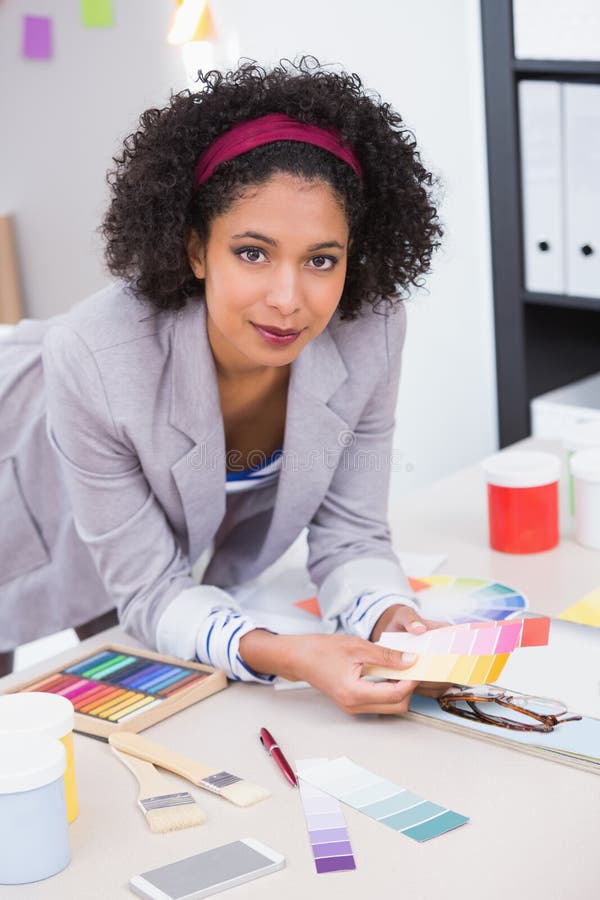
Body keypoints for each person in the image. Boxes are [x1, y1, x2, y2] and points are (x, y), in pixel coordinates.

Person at [0, 56, 444, 713]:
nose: (288, 299)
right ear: (195, 249)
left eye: (322, 259)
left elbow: (352, 536)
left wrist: (391, 621)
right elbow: (150, 590)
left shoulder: (371, 330)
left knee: (133, 680)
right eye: (252, 253)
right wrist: (288, 655)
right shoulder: (97, 357)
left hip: (120, 553)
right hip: (18, 464)